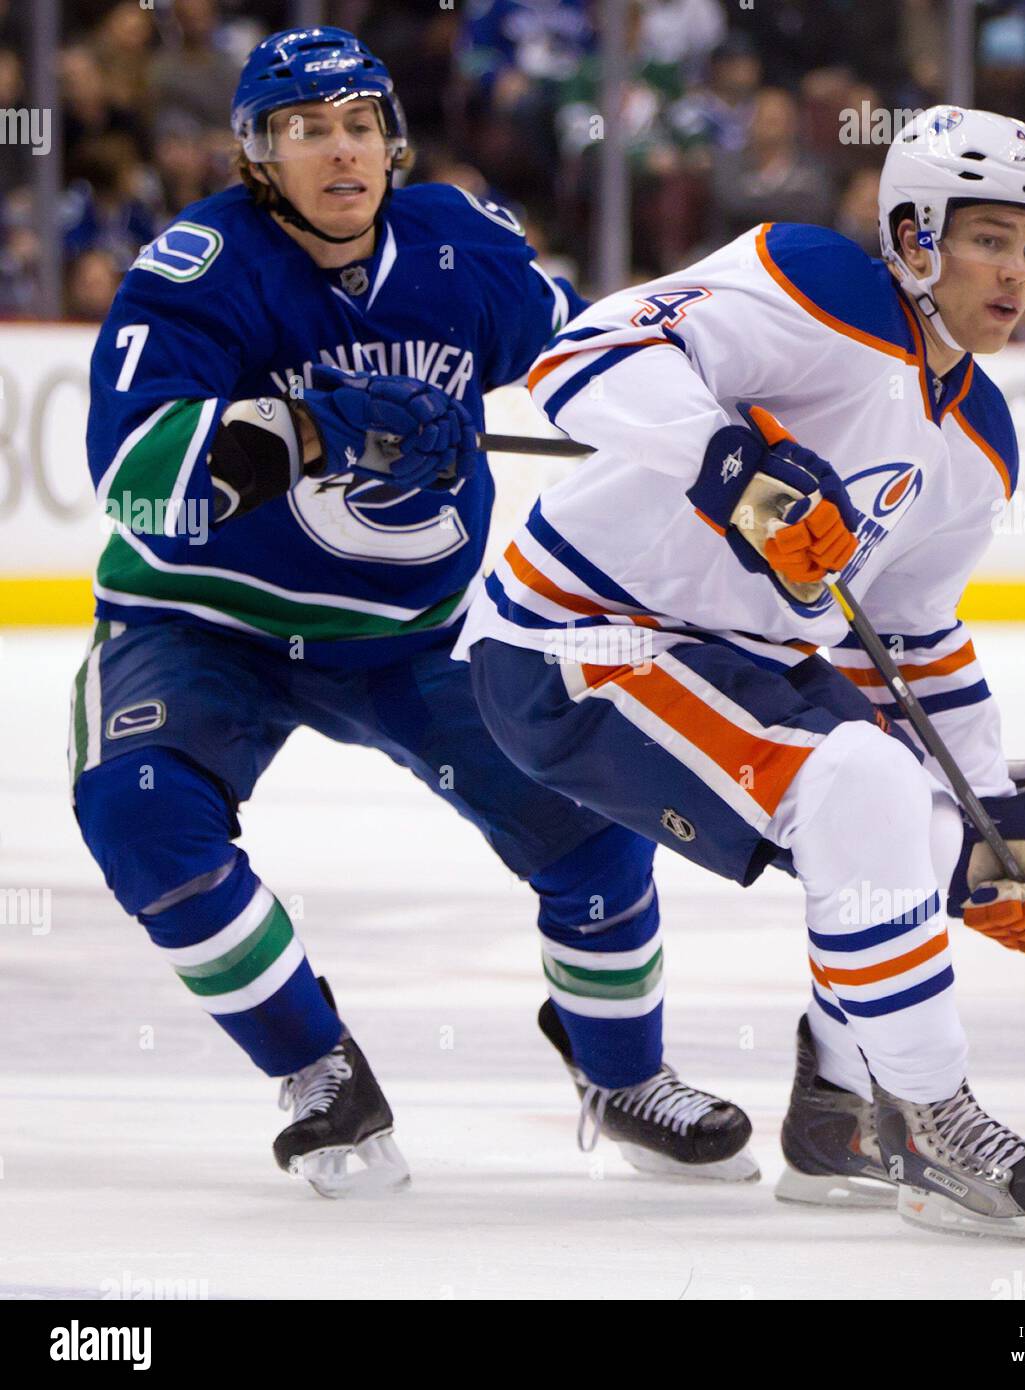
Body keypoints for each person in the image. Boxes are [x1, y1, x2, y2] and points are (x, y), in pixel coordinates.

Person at [71, 26, 755, 1197]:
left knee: (595, 824)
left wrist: (727, 452)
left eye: (358, 127)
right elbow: (134, 480)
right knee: (139, 813)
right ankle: (318, 1067)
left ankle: (621, 1072)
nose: (339, 153)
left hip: (414, 635)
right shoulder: (198, 268)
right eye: (304, 131)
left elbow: (592, 360)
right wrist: (298, 432)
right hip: (204, 627)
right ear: (257, 155)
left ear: (390, 141)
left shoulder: (458, 243)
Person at [459, 106, 1025, 1244]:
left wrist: (996, 820)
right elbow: (580, 359)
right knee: (863, 785)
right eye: (989, 237)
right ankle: (926, 1115)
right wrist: (733, 469)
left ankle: (837, 1113)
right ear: (911, 231)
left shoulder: (978, 438)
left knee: (934, 822)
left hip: (729, 660)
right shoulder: (815, 287)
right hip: (578, 640)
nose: (1015, 271)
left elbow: (905, 644)